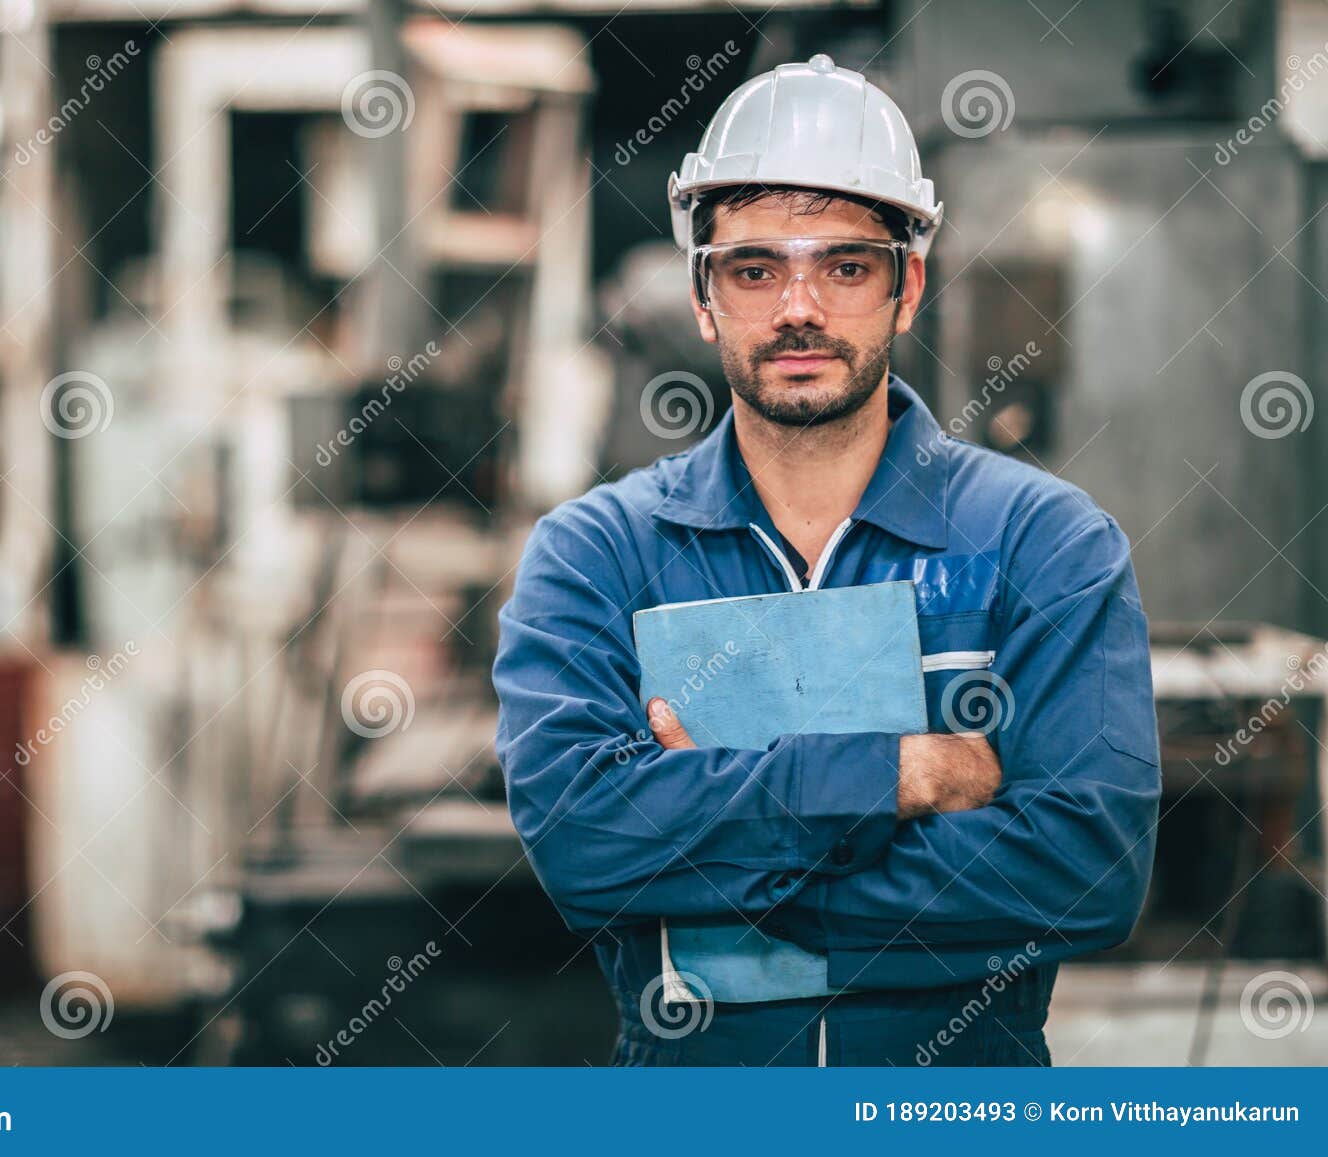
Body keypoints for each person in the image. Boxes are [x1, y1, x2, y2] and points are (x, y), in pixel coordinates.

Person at [491, 55, 1161, 1066]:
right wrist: (902, 771)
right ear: (703, 295)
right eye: (754, 269)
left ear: (907, 287)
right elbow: (585, 848)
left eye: (845, 267)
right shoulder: (598, 555)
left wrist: (722, 865)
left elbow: (1086, 870)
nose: (798, 307)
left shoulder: (1044, 541)